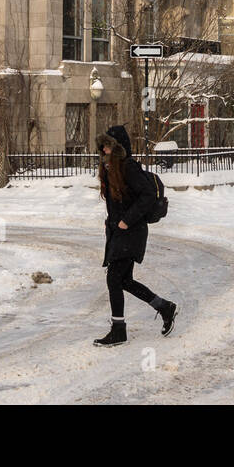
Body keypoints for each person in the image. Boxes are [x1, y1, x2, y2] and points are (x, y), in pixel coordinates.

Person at [93, 124, 177, 347]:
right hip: (119, 232)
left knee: (114, 279)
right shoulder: (111, 168)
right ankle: (164, 307)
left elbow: (148, 196)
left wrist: (126, 220)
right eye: (102, 145)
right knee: (124, 280)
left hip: (132, 231)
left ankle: (119, 330)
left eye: (107, 145)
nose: (103, 149)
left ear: (118, 147)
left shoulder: (129, 167)